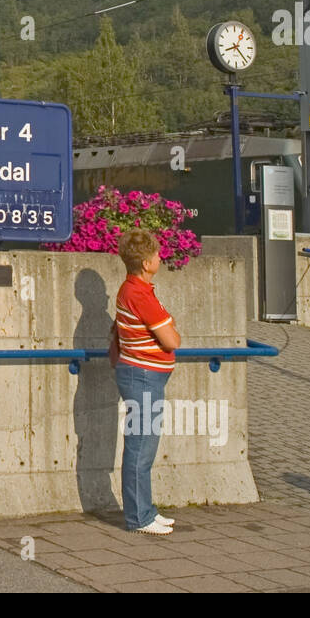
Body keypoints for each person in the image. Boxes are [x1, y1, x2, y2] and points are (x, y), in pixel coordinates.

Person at [108, 228, 181, 535]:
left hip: (141, 373)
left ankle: (146, 510)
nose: (160, 258)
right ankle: (139, 517)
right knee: (141, 448)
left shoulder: (132, 289)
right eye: (157, 254)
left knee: (144, 446)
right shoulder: (139, 293)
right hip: (143, 375)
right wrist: (173, 328)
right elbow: (171, 339)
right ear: (146, 262)